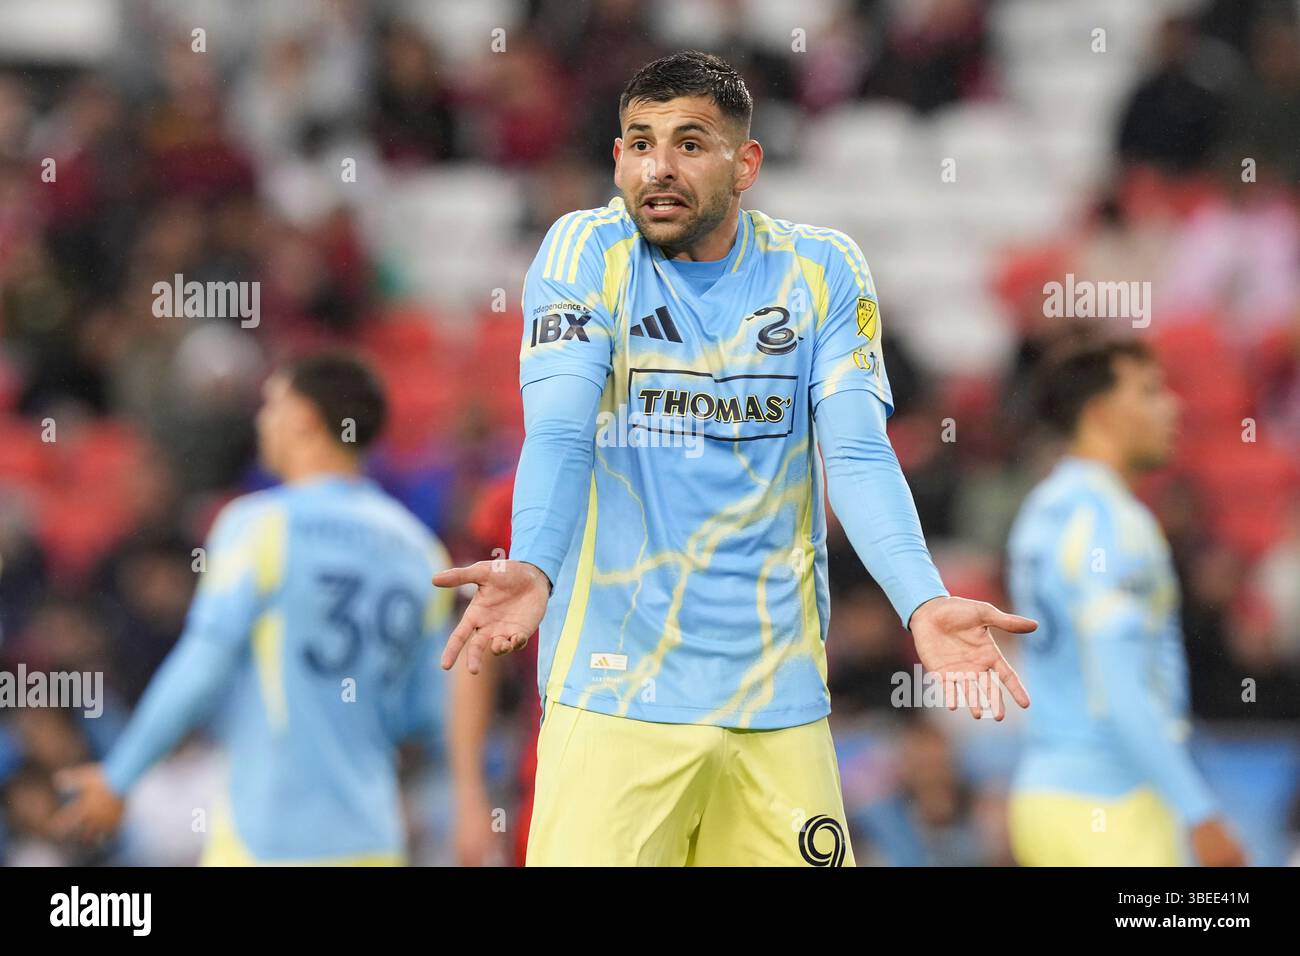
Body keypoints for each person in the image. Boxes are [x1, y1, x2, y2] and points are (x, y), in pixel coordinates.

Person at [434, 51, 1034, 867]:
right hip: (614, 700)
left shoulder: (820, 269)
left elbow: (854, 452)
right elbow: (562, 431)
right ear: (617, 160)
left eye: (689, 143)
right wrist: (535, 563)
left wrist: (923, 602)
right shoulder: (585, 252)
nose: (658, 167)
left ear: (744, 162)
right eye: (639, 143)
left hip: (777, 709)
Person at [56, 353, 453, 865]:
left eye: (272, 405)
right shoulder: (420, 550)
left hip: (268, 836)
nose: (262, 420)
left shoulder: (259, 525)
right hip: (373, 837)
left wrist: (119, 776)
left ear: (304, 420)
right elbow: (428, 712)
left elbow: (202, 667)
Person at [1007, 336, 1246, 866]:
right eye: (1149, 391)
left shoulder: (1041, 511)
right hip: (1112, 809)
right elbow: (1118, 686)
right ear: (1100, 413)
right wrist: (1199, 811)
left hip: (1044, 798)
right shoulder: (1114, 524)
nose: (1173, 405)